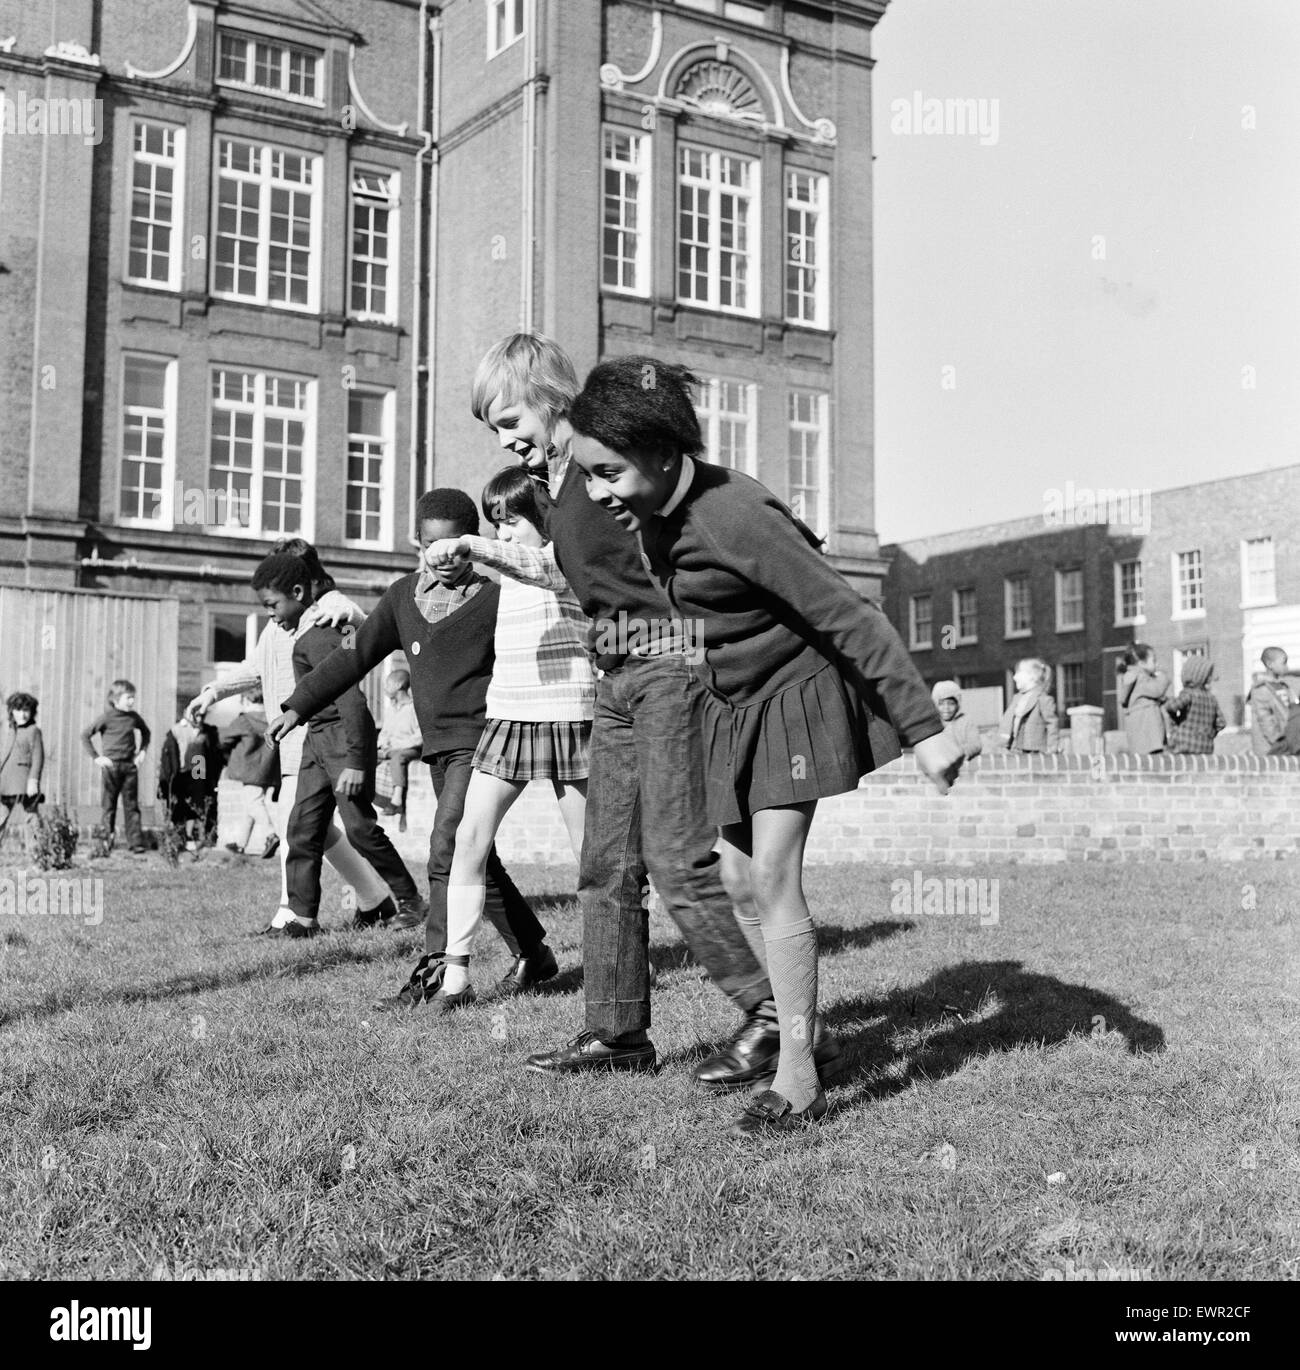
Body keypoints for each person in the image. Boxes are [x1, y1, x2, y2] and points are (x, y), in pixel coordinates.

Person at [561, 356, 963, 1137]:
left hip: (793, 698)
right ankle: (800, 1026)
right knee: (740, 881)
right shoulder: (650, 518)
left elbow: (849, 613)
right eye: (588, 475)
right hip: (731, 703)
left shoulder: (736, 513)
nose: (599, 493)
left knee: (775, 875)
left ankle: (799, 1076)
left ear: (663, 455)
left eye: (608, 473)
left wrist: (926, 729)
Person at [468, 334, 795, 1091]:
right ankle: (617, 1033)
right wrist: (480, 555)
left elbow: (693, 537)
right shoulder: (553, 491)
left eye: (510, 416)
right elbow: (573, 577)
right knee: (605, 865)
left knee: (678, 858)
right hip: (612, 682)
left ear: (552, 396)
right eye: (492, 426)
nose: (504, 436)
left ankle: (776, 1019)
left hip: (668, 672)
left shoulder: (604, 470)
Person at [269, 491, 555, 1009]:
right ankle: (533, 953)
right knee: (474, 856)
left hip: (485, 744)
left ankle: (438, 970)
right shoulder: (403, 598)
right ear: (416, 544)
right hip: (438, 748)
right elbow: (353, 657)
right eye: (430, 546)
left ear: (472, 544)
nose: (442, 557)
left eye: (453, 546)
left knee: (448, 847)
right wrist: (298, 704)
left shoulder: (496, 599)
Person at [419, 465, 594, 1009]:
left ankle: (612, 969)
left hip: (570, 716)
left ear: (543, 518)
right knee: (468, 842)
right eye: (495, 522)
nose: (502, 532)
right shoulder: (502, 576)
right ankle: (455, 978)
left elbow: (535, 565)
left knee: (592, 859)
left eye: (512, 520)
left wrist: (470, 545)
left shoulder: (562, 560)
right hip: (508, 720)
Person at [186, 540, 405, 933]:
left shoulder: (326, 612)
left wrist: (352, 613)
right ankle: (376, 901)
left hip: (318, 737)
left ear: (305, 580)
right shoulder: (278, 620)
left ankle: (294, 913)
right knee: (314, 829)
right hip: (288, 739)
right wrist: (212, 692)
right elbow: (254, 668)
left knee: (301, 825)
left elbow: (362, 636)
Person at [252, 552, 424, 939]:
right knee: (302, 827)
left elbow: (353, 703)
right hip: (316, 741)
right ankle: (302, 918)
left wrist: (356, 763)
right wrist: (292, 716)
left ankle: (410, 900)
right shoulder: (303, 635)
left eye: (273, 605)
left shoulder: (324, 635)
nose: (271, 615)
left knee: (360, 829)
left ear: (298, 592)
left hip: (344, 746)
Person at [82, 679, 151, 854]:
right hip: (111, 768)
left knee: (132, 806)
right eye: (128, 698)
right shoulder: (107, 718)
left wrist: (142, 751)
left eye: (133, 698)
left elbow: (146, 732)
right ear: (115, 699)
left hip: (129, 767)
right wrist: (97, 758)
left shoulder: (133, 717)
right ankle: (106, 842)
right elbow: (85, 735)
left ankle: (135, 842)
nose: (132, 701)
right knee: (109, 806)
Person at [219, 688, 280, 857]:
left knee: (253, 803)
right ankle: (240, 843)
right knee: (251, 805)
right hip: (268, 770)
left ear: (246, 701)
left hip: (248, 769)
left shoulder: (244, 721)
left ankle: (270, 834)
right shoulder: (272, 719)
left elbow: (224, 740)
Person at [157, 695, 223, 848]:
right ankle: (180, 839)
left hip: (197, 773)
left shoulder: (208, 732)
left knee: (198, 804)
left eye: (202, 715)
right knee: (179, 808)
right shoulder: (176, 731)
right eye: (196, 714)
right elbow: (167, 759)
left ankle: (199, 837)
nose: (199, 719)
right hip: (180, 774)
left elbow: (215, 757)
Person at [375, 669, 423, 829]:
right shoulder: (391, 709)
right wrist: (382, 744)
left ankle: (396, 800)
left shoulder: (414, 708)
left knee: (397, 758)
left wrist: (398, 746)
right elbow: (385, 733)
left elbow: (420, 736)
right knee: (367, 757)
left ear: (399, 685)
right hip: (392, 749)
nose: (385, 687)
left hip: (410, 750)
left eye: (388, 684)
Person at [0, 692, 45, 845]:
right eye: (18, 710)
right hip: (6, 780)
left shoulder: (34, 731)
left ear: (32, 712)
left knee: (31, 817)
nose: (22, 714)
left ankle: (38, 852)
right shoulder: (10, 730)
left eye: (26, 710)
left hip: (24, 781)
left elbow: (38, 757)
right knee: (1, 815)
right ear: (11, 711)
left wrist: (33, 780)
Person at [1164, 657, 1226, 755]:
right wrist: (1209, 734)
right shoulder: (1211, 698)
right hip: (1206, 747)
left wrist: (1166, 700)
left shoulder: (1189, 693)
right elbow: (1221, 723)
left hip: (1184, 744)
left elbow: (1173, 706)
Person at [1119, 644, 1169, 755]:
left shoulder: (1134, 677)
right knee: (1153, 761)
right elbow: (1158, 690)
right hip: (1148, 731)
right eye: (1153, 660)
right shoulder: (1141, 678)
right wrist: (1162, 675)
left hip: (1140, 731)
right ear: (1142, 664)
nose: (1157, 664)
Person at [1001, 659, 1059, 754]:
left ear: (1032, 676)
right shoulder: (1017, 698)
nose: (1014, 677)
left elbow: (1052, 724)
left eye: (1018, 673)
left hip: (1034, 750)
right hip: (1015, 748)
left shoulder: (1042, 698)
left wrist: (1052, 747)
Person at [1249, 647, 1298, 757]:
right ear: (1270, 664)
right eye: (1283, 663)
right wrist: (1278, 741)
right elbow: (1265, 719)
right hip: (1272, 748)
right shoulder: (1261, 689)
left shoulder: (1284, 686)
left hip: (1287, 742)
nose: (1287, 667)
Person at [931, 681, 983, 759]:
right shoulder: (931, 724)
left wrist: (960, 753)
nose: (946, 708)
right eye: (941, 703)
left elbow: (976, 745)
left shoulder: (966, 722)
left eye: (951, 703)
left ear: (958, 704)